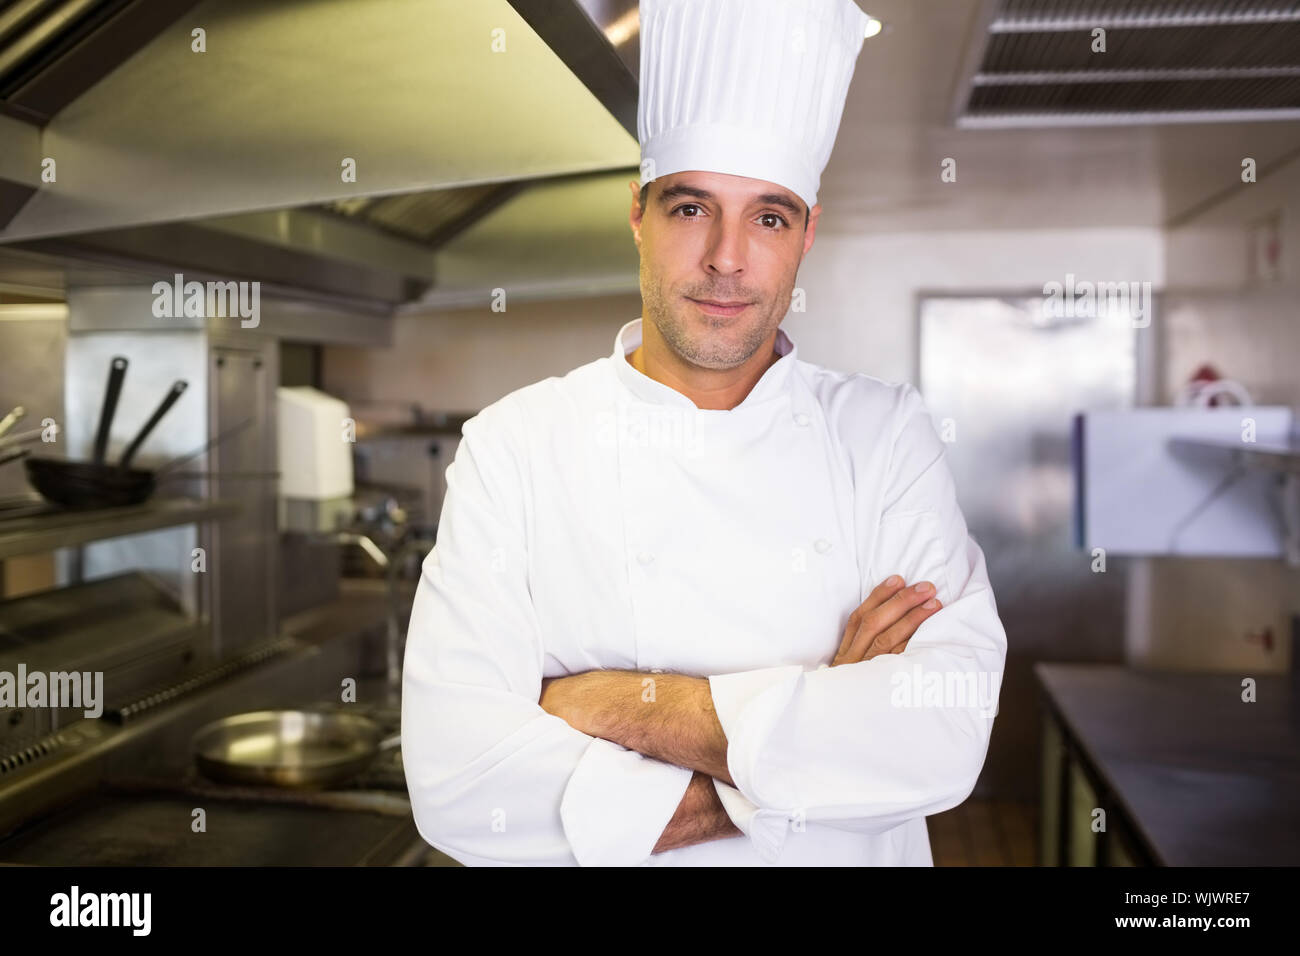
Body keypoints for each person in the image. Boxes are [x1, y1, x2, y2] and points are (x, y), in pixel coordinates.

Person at [401, 0, 1007, 866]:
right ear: (639, 217)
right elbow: (459, 786)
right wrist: (817, 745)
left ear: (806, 237)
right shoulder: (515, 446)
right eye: (692, 209)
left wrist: (618, 705)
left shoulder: (883, 437)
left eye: (769, 217)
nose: (729, 257)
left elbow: (941, 732)